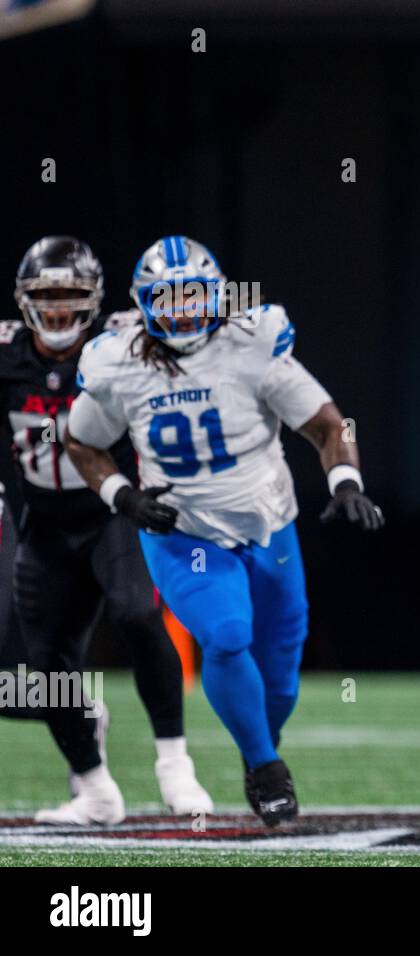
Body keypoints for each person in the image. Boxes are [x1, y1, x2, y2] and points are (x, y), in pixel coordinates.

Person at [64, 235, 383, 826]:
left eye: (193, 295)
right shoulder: (121, 362)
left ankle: (257, 743)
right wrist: (123, 495)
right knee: (228, 634)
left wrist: (344, 480)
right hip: (181, 532)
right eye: (168, 297)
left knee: (281, 673)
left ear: (216, 297)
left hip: (270, 524)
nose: (182, 308)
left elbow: (327, 425)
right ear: (143, 303)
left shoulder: (250, 344)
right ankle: (266, 769)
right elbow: (80, 440)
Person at [0, 235, 211, 826]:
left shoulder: (123, 345)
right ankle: (94, 789)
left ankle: (175, 762)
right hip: (41, 526)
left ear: (93, 300)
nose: (60, 308)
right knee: (45, 668)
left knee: (137, 615)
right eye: (48, 295)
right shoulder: (10, 354)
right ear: (26, 300)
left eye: (72, 294)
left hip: (113, 514)